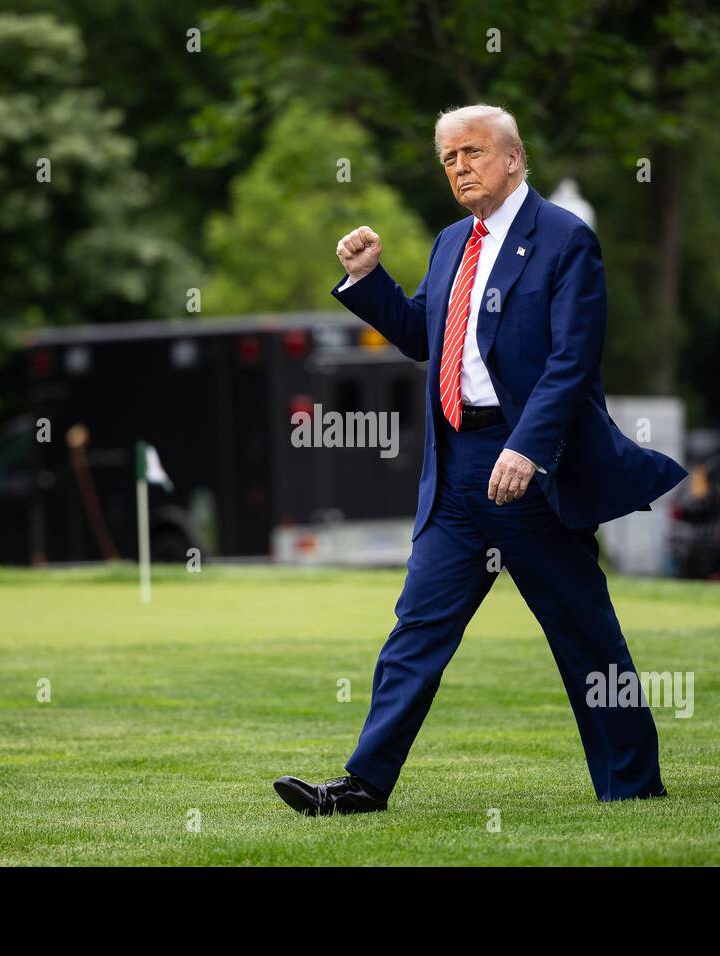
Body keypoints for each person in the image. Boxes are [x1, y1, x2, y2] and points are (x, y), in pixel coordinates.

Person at [273, 104, 687, 816]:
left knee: (584, 635)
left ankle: (632, 783)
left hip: (529, 466)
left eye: (472, 152)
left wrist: (530, 448)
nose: (460, 167)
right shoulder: (448, 245)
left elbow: (570, 362)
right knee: (416, 629)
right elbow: (419, 335)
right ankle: (365, 782)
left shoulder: (564, 241)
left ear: (514, 157)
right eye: (448, 159)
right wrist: (369, 280)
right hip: (457, 472)